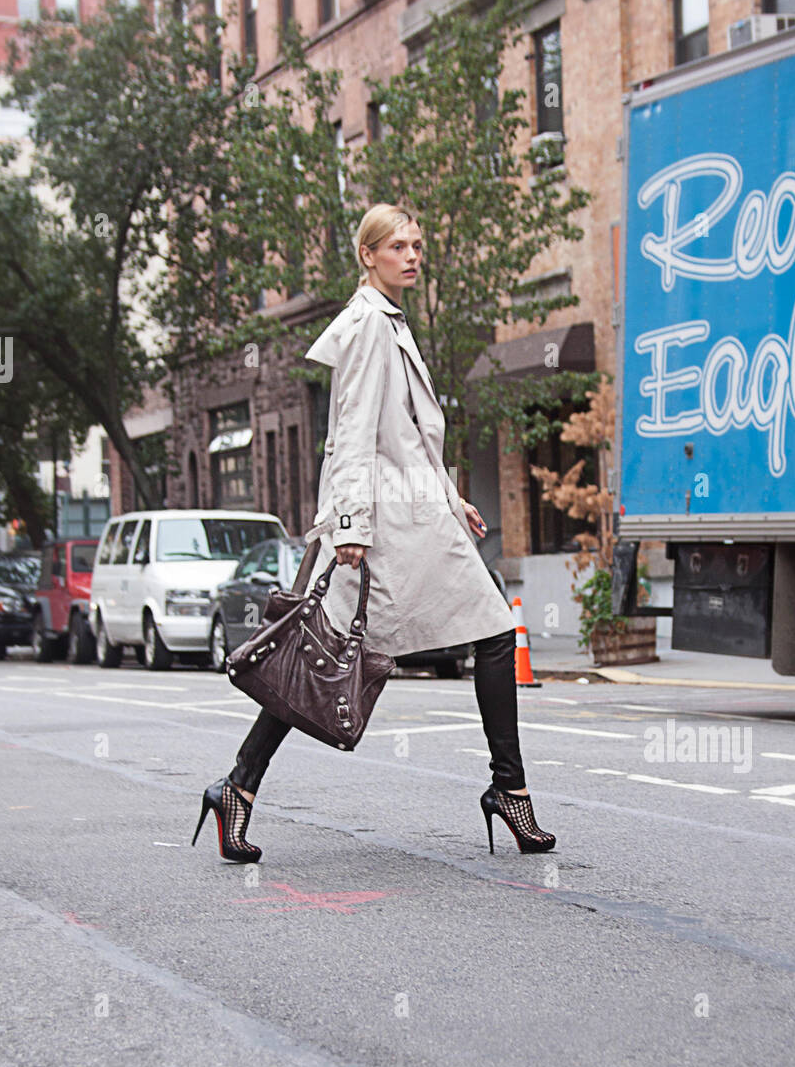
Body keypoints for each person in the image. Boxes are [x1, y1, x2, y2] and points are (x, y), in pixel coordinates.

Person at [192, 203, 557, 862]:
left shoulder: (389, 320)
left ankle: (237, 789)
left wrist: (450, 498)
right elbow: (353, 432)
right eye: (397, 246)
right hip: (385, 528)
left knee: (326, 654)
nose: (412, 255)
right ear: (368, 255)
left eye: (417, 244)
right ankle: (508, 791)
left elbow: (409, 436)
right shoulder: (365, 326)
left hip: (413, 519)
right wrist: (354, 524)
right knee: (344, 651)